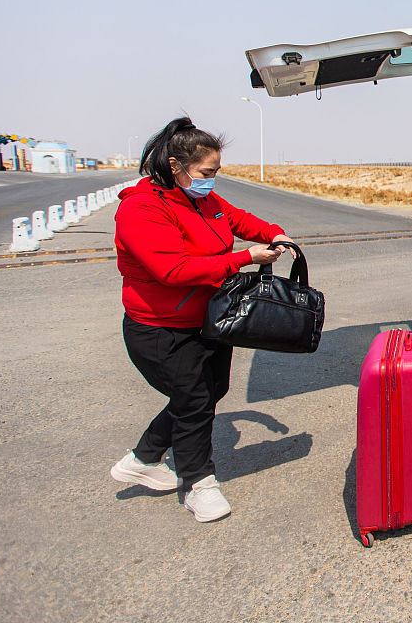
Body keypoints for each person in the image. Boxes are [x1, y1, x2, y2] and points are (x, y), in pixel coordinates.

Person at [110, 117, 294, 522]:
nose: (211, 181)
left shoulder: (201, 199)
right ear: (175, 166)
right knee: (193, 401)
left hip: (208, 319)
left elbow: (236, 218)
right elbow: (172, 270)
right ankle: (199, 483)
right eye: (206, 173)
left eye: (215, 173)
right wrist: (245, 258)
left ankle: (143, 458)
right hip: (161, 328)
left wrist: (273, 234)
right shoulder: (142, 208)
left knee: (211, 390)